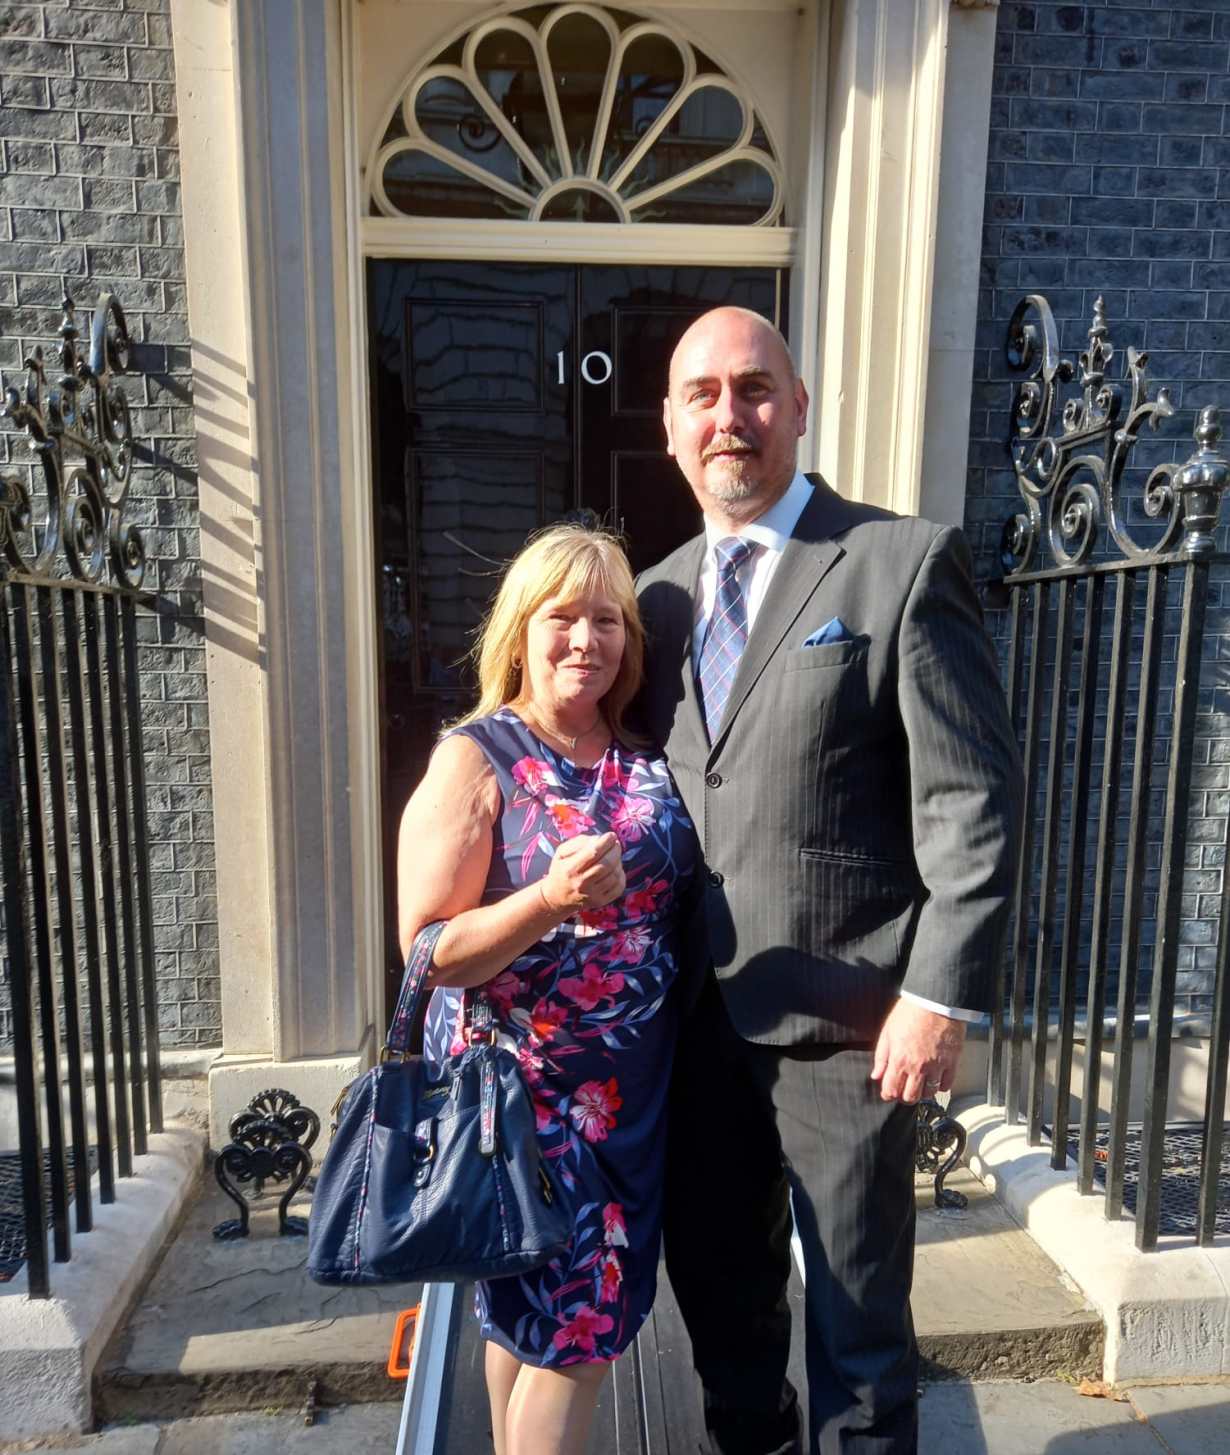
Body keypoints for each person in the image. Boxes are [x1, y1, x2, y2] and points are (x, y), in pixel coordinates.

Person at [636, 307, 1024, 1455]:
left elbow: (972, 799)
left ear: (798, 406)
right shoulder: (652, 596)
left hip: (850, 1035)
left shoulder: (900, 563)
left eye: (753, 389)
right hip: (690, 1030)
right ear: (668, 427)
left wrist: (941, 995)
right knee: (722, 1313)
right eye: (701, 395)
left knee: (860, 1338)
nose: (728, 417)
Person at [397, 524, 697, 1455]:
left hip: (632, 1105)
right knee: (579, 1333)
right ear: (520, 630)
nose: (585, 640)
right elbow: (427, 952)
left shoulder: (646, 753)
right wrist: (548, 898)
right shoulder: (475, 757)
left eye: (607, 620)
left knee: (529, 1325)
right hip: (529, 1107)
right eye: (563, 616)